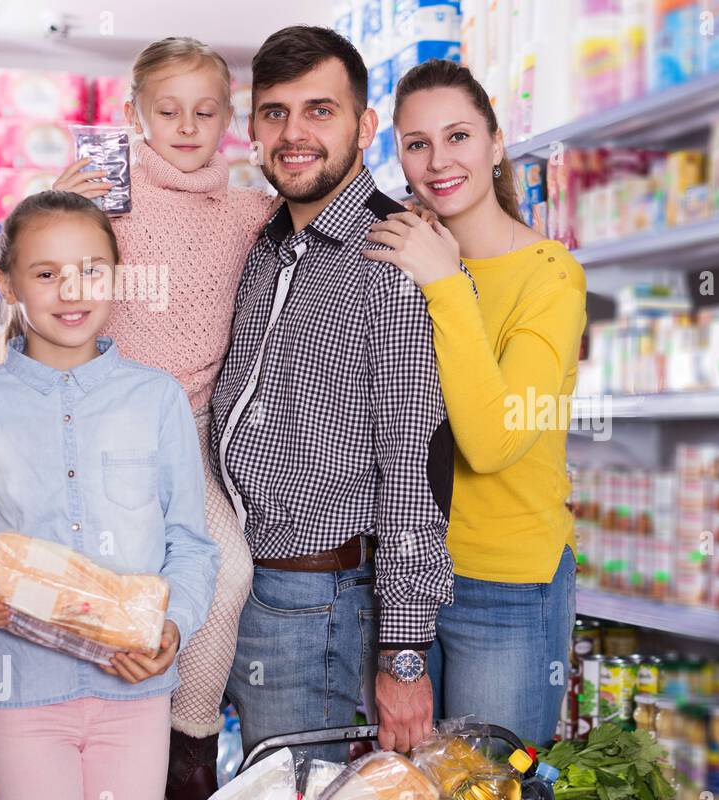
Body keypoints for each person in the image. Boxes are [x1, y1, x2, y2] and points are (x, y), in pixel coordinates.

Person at [0, 190, 219, 800]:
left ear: (117, 277)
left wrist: (172, 628)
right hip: (21, 692)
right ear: (8, 284)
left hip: (134, 690)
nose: (71, 289)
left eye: (91, 269)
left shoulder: (157, 398)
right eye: (46, 272)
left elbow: (191, 545)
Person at [210, 26, 453, 761]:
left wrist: (404, 652)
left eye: (320, 110)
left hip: (323, 602)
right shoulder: (266, 248)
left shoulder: (395, 255)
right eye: (274, 112)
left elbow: (417, 460)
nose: (294, 134)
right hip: (243, 585)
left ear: (364, 127)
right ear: (252, 128)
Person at [53, 36, 277, 800]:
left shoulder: (249, 210)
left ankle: (192, 751)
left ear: (231, 120)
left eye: (206, 111)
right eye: (168, 110)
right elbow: (32, 305)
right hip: (103, 438)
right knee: (108, 611)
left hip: (191, 440)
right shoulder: (101, 201)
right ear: (134, 114)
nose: (187, 126)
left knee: (227, 573)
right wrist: (56, 211)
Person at [364, 60, 587, 744]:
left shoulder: (549, 275)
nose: (438, 161)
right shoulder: (392, 255)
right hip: (400, 578)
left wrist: (445, 284)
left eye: (458, 136)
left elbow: (494, 441)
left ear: (495, 141)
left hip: (507, 586)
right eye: (417, 143)